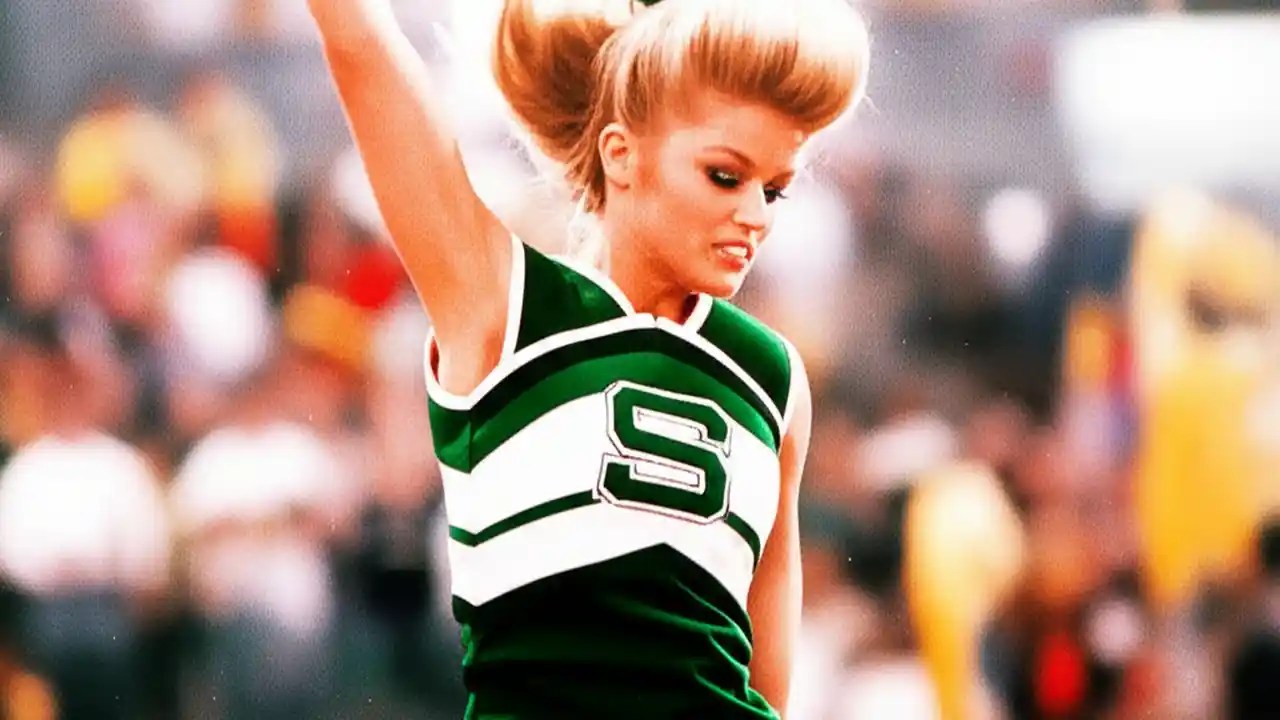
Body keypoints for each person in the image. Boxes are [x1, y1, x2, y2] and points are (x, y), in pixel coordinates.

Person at [308, 0, 869, 716]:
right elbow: (362, 52)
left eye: (776, 187)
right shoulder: (503, 308)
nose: (757, 215)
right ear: (620, 152)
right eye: (726, 177)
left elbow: (766, 684)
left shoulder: (771, 376)